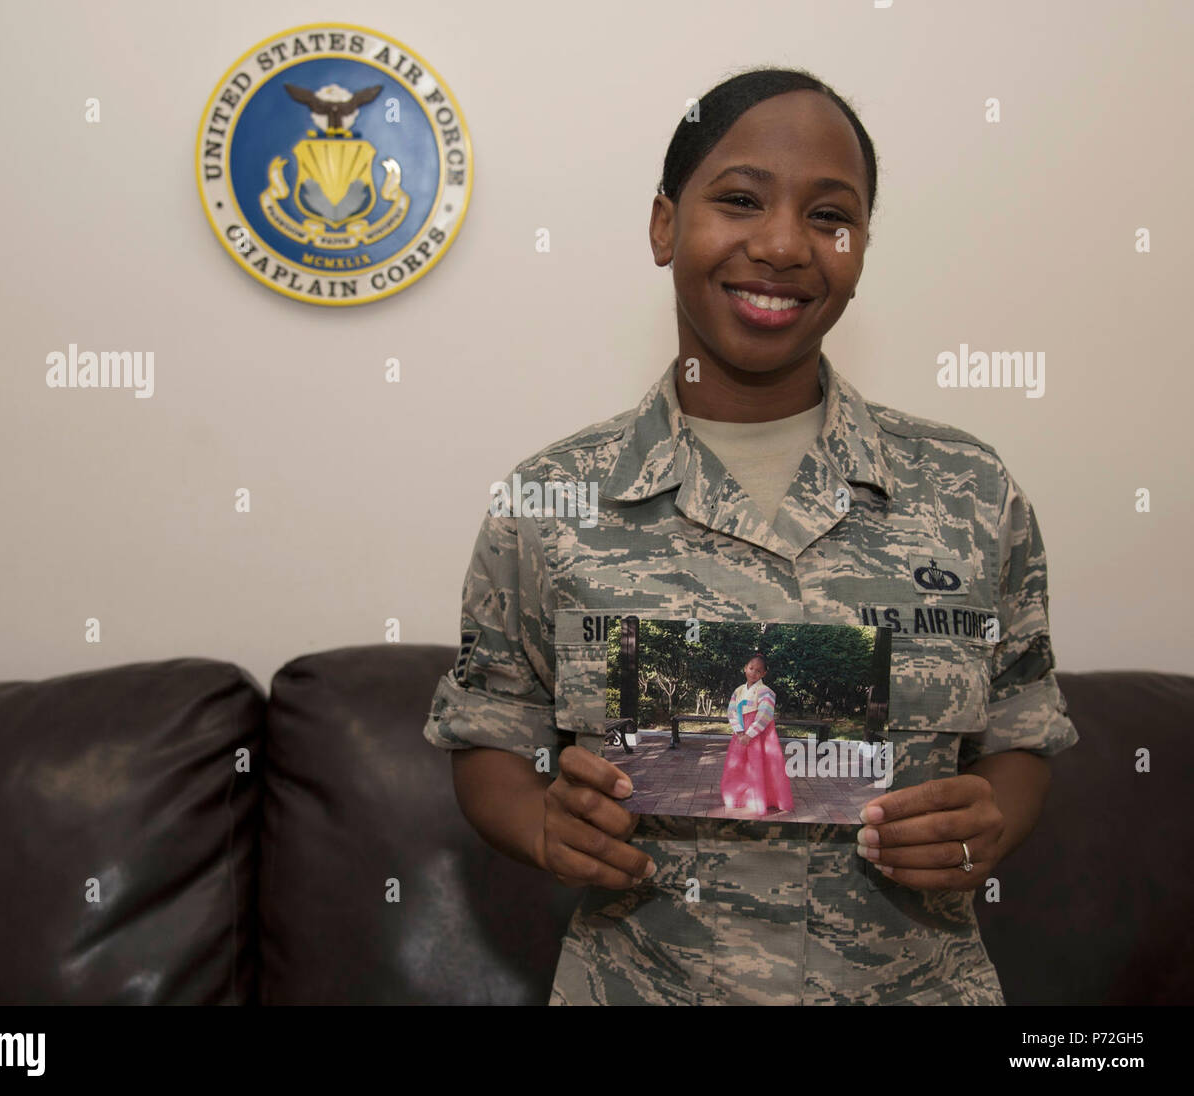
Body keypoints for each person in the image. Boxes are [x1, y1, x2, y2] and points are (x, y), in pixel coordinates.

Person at [423, 67, 1078, 1005]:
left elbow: (1022, 728)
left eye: (829, 217)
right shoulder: (550, 501)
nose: (781, 244)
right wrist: (540, 825)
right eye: (739, 200)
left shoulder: (972, 490)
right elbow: (489, 734)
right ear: (664, 225)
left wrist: (991, 819)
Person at [721, 652, 793, 815]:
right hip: (740, 734)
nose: (753, 673)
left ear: (764, 674)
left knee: (761, 764)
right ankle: (739, 796)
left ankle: (763, 798)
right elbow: (732, 711)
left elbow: (765, 715)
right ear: (745, 668)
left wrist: (750, 734)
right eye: (751, 668)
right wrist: (739, 731)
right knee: (739, 764)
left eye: (758, 671)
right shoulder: (738, 691)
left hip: (760, 736)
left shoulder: (765, 691)